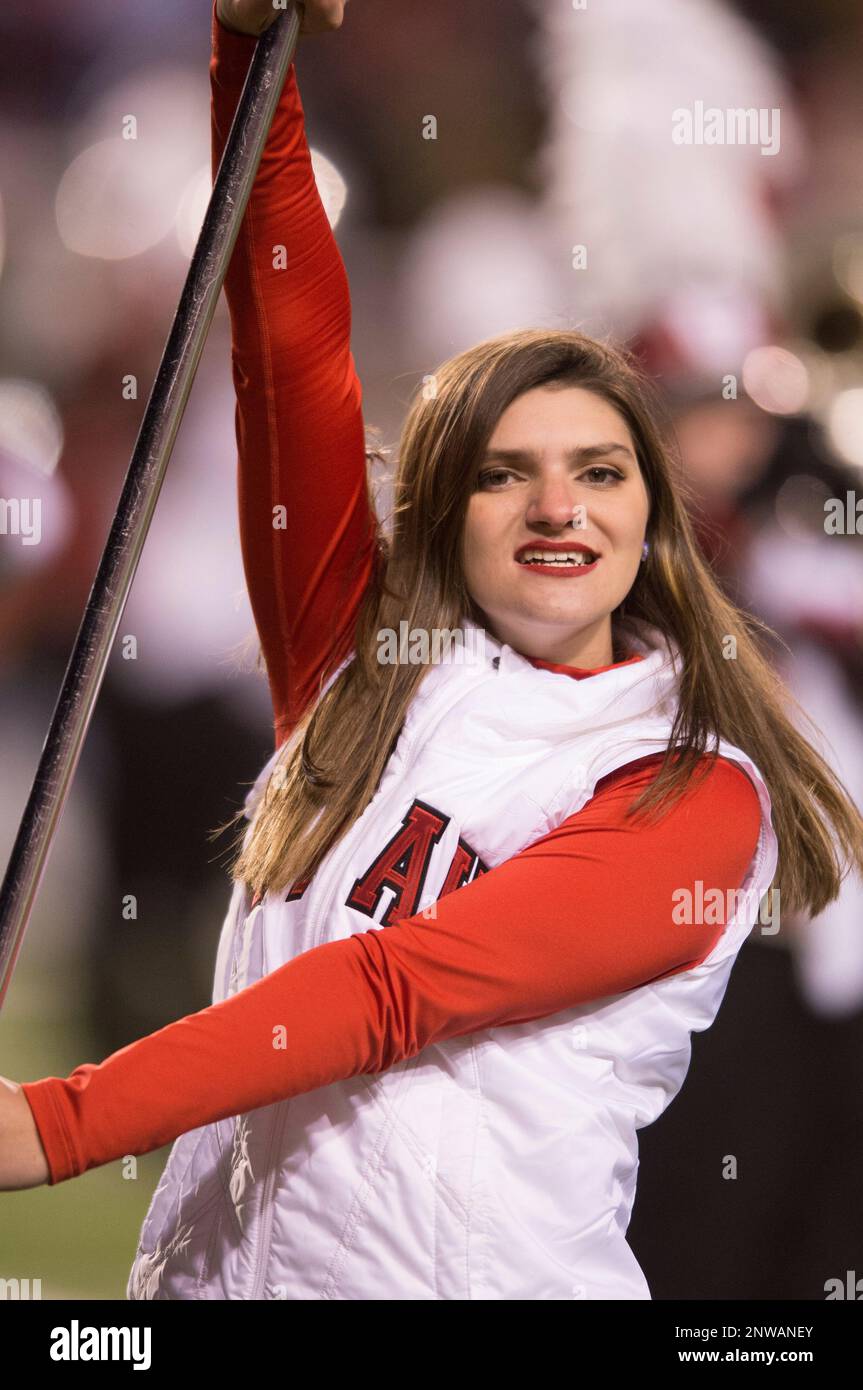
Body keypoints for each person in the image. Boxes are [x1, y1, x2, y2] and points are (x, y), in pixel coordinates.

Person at [2, 0, 861, 1301]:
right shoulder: (363, 671)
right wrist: (255, 52)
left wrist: (61, 1120)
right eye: (509, 473)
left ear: (655, 514)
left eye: (602, 471)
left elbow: (394, 989)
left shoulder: (697, 788)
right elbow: (289, 345)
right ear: (447, 507)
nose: (558, 506)